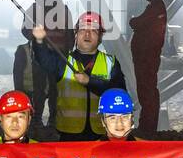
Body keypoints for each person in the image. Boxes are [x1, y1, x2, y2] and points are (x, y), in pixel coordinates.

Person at [32, 12, 126, 140]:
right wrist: (39, 40)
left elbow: (120, 93)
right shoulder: (63, 60)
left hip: (101, 134)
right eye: (82, 30)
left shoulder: (111, 62)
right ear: (76, 34)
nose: (87, 34)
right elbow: (43, 59)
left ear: (100, 36)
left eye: (93, 31)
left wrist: (90, 82)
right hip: (68, 135)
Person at [21, 0, 73, 123]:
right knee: (46, 89)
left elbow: (70, 36)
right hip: (51, 56)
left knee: (46, 89)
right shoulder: (61, 9)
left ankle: (46, 119)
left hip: (53, 57)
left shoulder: (36, 10)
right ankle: (45, 119)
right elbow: (70, 37)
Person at [129, 0, 167, 136]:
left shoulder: (155, 9)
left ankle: (147, 127)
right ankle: (147, 125)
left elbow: (138, 23)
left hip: (147, 57)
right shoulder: (155, 7)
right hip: (145, 57)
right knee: (147, 90)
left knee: (147, 91)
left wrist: (132, 21)